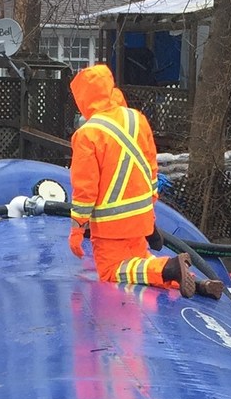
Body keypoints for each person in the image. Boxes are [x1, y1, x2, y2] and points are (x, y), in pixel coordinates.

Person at [66, 63, 210, 296]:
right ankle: (196, 283)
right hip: (141, 217)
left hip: (111, 226)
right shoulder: (137, 119)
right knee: (139, 262)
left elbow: (85, 189)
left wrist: (77, 230)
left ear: (83, 97)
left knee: (112, 270)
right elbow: (151, 168)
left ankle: (170, 268)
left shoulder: (87, 134)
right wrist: (149, 217)